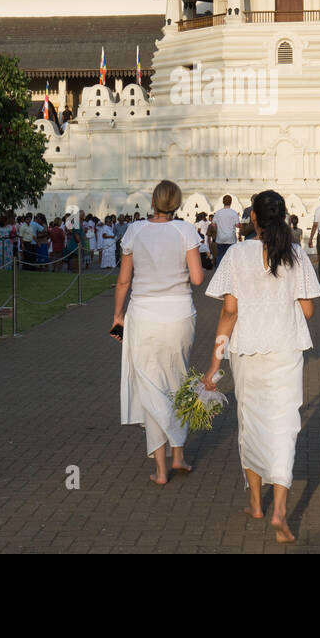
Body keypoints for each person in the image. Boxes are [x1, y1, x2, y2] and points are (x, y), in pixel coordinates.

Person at [203, 189, 319, 544]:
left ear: (252, 217)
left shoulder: (237, 254)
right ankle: (280, 510)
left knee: (250, 424)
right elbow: (309, 310)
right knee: (285, 426)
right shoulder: (295, 252)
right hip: (285, 348)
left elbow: (229, 311)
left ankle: (255, 503)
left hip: (248, 350)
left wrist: (214, 364)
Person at [112, 179, 204, 486]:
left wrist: (117, 316)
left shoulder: (135, 231)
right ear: (177, 203)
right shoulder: (186, 231)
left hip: (144, 315)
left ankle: (162, 468)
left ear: (153, 201)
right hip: (178, 314)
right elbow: (197, 278)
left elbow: (123, 281)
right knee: (177, 382)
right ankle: (178, 454)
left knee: (152, 387)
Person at [213, 195, 240, 266]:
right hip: (231, 238)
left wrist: (219, 227)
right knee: (230, 256)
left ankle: (219, 272)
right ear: (231, 202)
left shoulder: (218, 213)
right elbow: (237, 225)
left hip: (220, 237)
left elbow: (213, 224)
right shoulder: (234, 213)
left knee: (220, 256)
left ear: (223, 202)